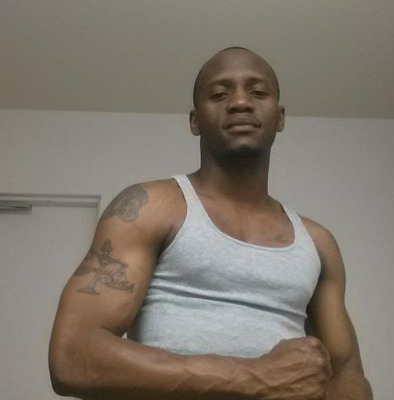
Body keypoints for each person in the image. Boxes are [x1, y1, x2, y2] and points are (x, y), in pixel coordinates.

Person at [49, 47, 372, 400]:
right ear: (195, 121)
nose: (240, 102)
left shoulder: (318, 243)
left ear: (280, 117)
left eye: (258, 92)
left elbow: (348, 375)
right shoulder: (150, 207)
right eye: (219, 94)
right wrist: (254, 376)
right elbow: (72, 356)